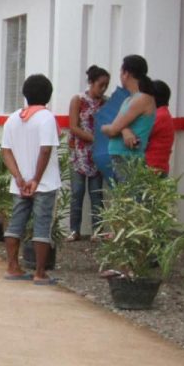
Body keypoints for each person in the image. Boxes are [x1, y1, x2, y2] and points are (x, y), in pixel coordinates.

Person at [1, 73, 63, 284]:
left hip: (19, 183)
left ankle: (12, 266)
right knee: (42, 225)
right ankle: (39, 272)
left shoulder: (13, 118)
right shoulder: (46, 118)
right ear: (49, 95)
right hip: (44, 183)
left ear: (25, 94)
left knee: (15, 223)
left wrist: (18, 177)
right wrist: (36, 179)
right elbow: (45, 150)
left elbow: (6, 151)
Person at [66, 65, 110, 239]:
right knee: (76, 193)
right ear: (91, 82)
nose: (104, 89)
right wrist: (93, 138)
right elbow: (73, 126)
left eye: (106, 85)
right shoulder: (78, 100)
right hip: (79, 153)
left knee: (96, 194)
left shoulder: (106, 103)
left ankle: (97, 231)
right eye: (101, 85)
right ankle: (74, 230)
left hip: (97, 155)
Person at [101, 55, 156, 180]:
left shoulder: (142, 99)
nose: (120, 76)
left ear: (126, 73)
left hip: (129, 158)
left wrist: (117, 128)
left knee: (129, 197)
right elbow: (109, 127)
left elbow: (112, 129)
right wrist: (124, 130)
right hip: (120, 157)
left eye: (121, 72)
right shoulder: (128, 100)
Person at [145, 80, 175, 175]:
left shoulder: (159, 116)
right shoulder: (164, 114)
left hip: (153, 168)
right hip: (158, 167)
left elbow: (140, 136)